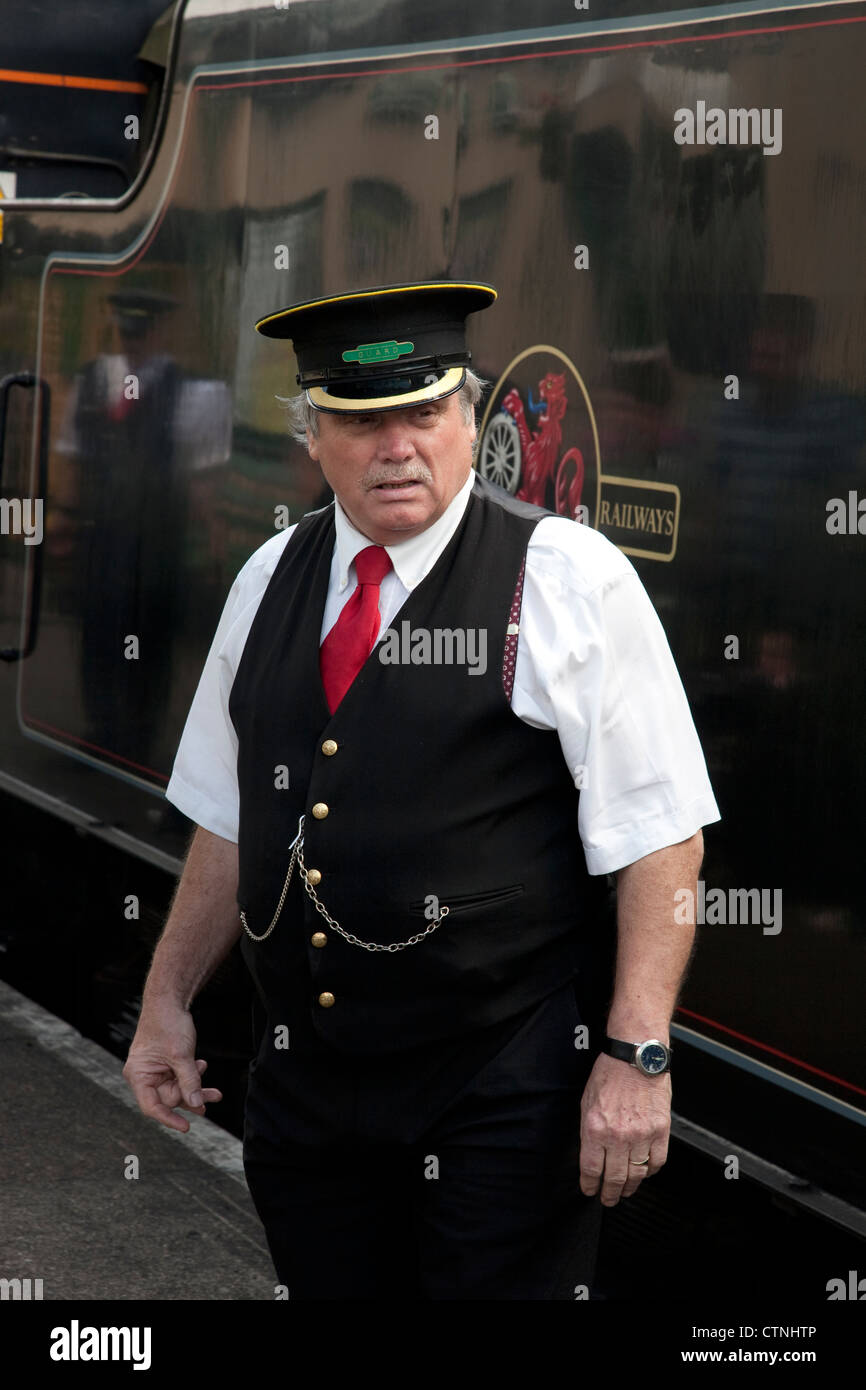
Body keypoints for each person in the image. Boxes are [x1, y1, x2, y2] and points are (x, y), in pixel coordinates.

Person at [123, 279, 720, 1301]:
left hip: (497, 1090)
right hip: (306, 1091)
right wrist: (165, 1001)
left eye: (424, 411)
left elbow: (658, 838)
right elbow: (228, 820)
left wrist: (635, 1053)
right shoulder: (268, 578)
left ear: (468, 418)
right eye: (360, 420)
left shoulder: (568, 580)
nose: (395, 446)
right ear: (312, 435)